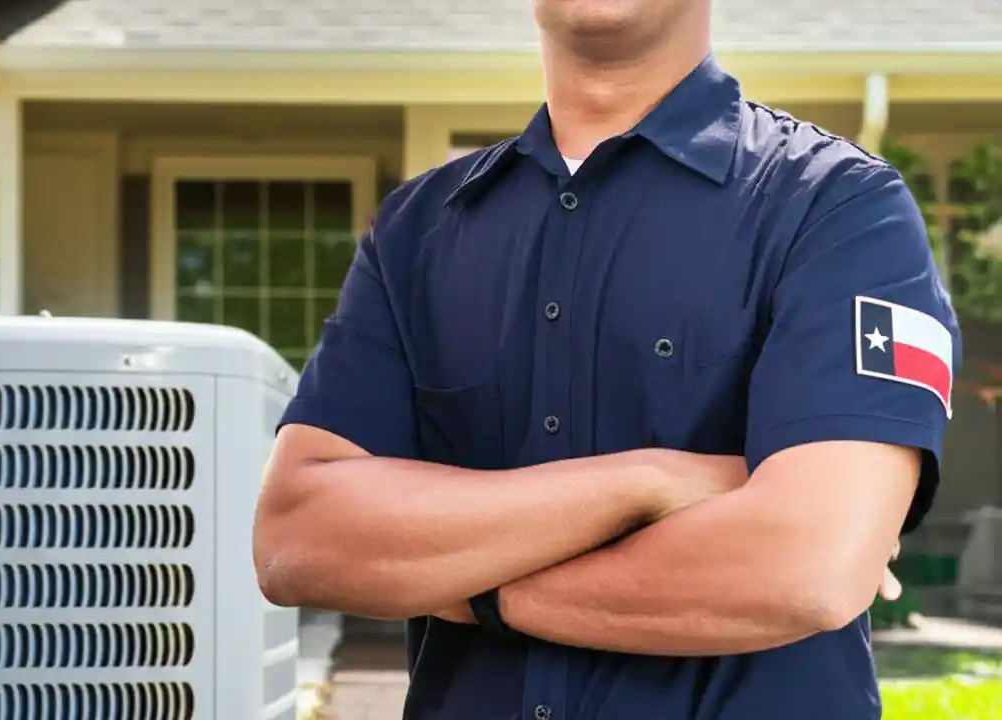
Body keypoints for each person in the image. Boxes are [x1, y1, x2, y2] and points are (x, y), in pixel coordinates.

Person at [252, 0, 960, 717]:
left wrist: (464, 583)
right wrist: (649, 480)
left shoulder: (841, 207)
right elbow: (298, 539)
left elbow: (808, 567)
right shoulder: (418, 231)